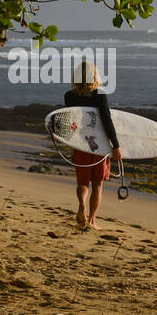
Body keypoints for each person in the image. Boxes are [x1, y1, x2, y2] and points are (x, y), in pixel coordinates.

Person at [63, 60, 121, 231]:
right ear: (94, 76)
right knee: (98, 183)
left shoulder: (69, 96)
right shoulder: (100, 94)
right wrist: (115, 145)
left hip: (81, 144)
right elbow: (106, 121)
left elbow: (70, 121)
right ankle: (92, 220)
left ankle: (81, 204)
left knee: (83, 182)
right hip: (99, 145)